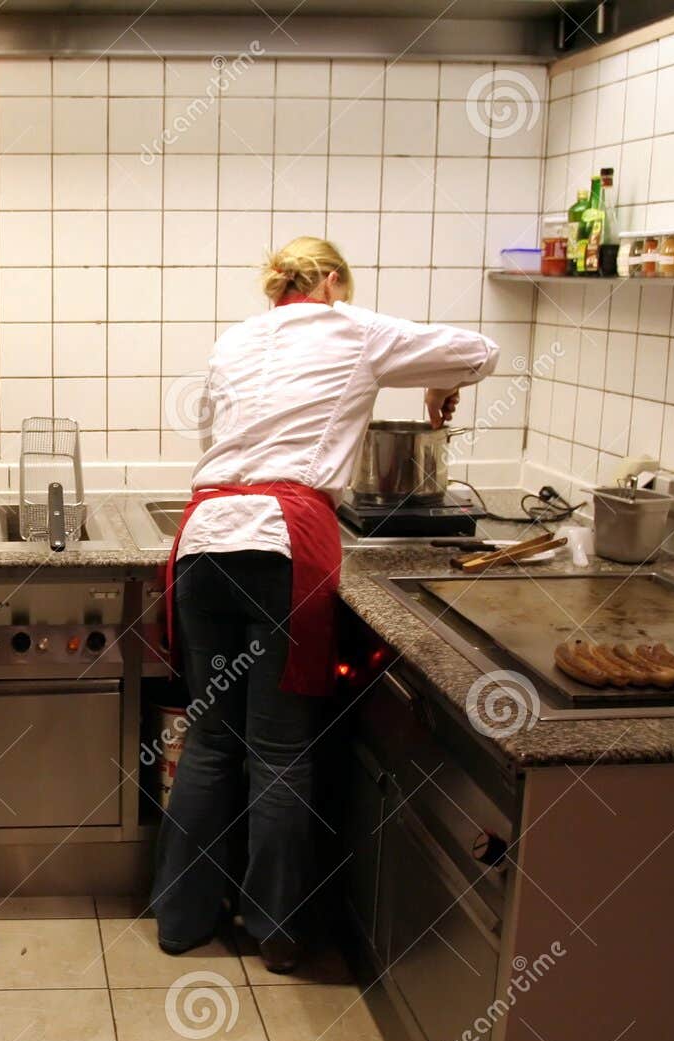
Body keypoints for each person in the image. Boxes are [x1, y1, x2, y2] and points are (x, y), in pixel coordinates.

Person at [151, 237, 499, 973]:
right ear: (334, 281)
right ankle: (276, 932)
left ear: (278, 286)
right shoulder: (357, 328)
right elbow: (479, 351)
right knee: (278, 752)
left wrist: (425, 382)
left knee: (212, 741)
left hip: (206, 538)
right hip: (281, 542)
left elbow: (234, 438)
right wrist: (438, 383)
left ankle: (180, 920)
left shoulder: (234, 340)